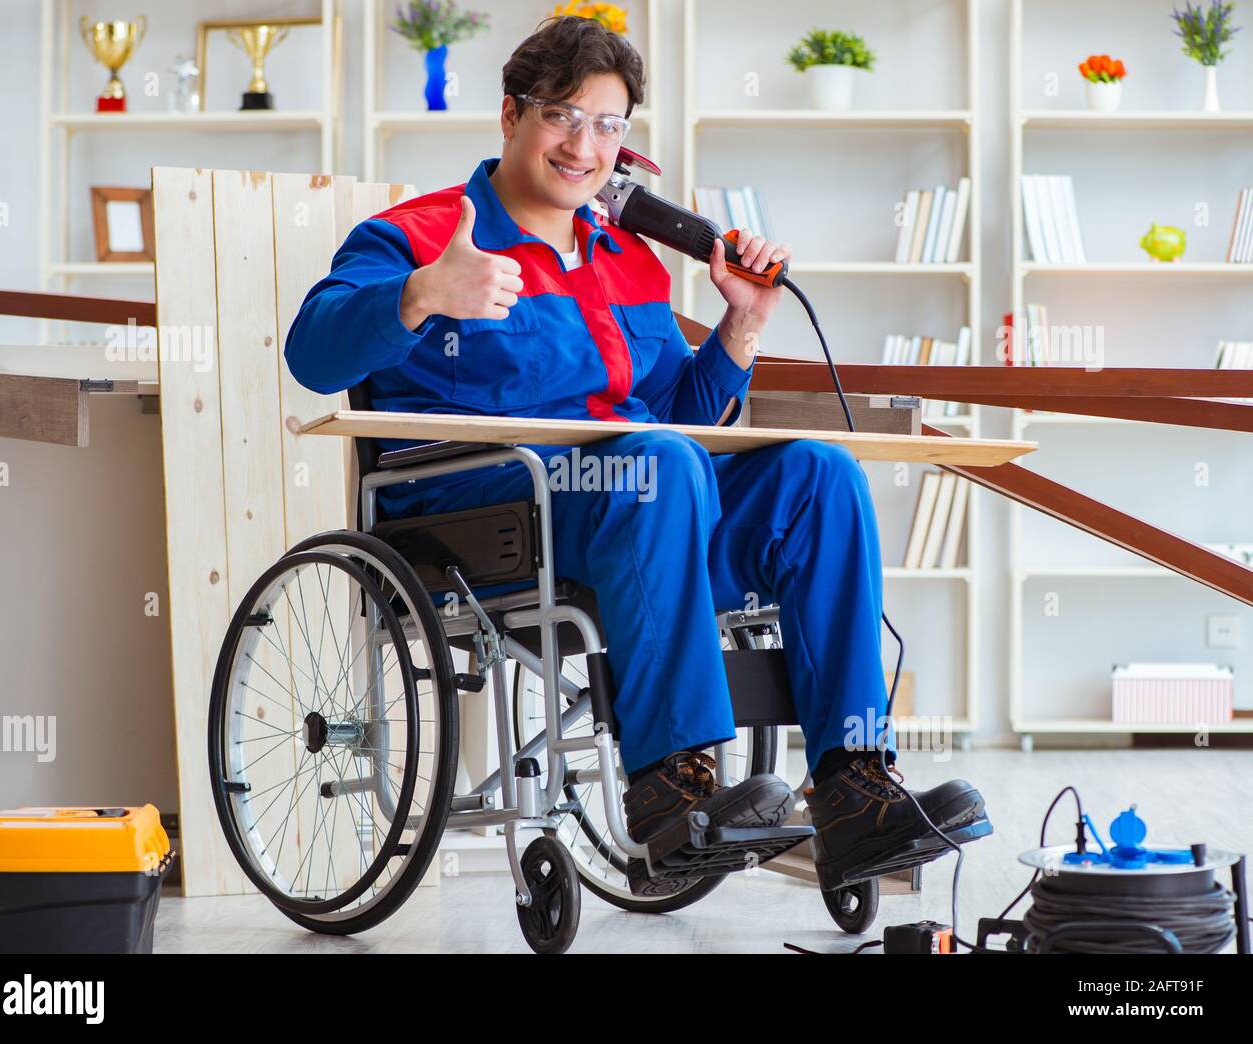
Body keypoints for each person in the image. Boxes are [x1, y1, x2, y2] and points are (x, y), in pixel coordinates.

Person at [284, 15, 987, 890]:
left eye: (609, 125)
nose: (585, 146)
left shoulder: (627, 262)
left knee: (819, 475)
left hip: (634, 501)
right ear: (509, 116)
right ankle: (671, 785)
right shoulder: (421, 234)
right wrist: (424, 293)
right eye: (563, 117)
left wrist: (740, 327)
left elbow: (672, 415)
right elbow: (310, 354)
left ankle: (855, 787)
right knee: (658, 467)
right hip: (484, 514)